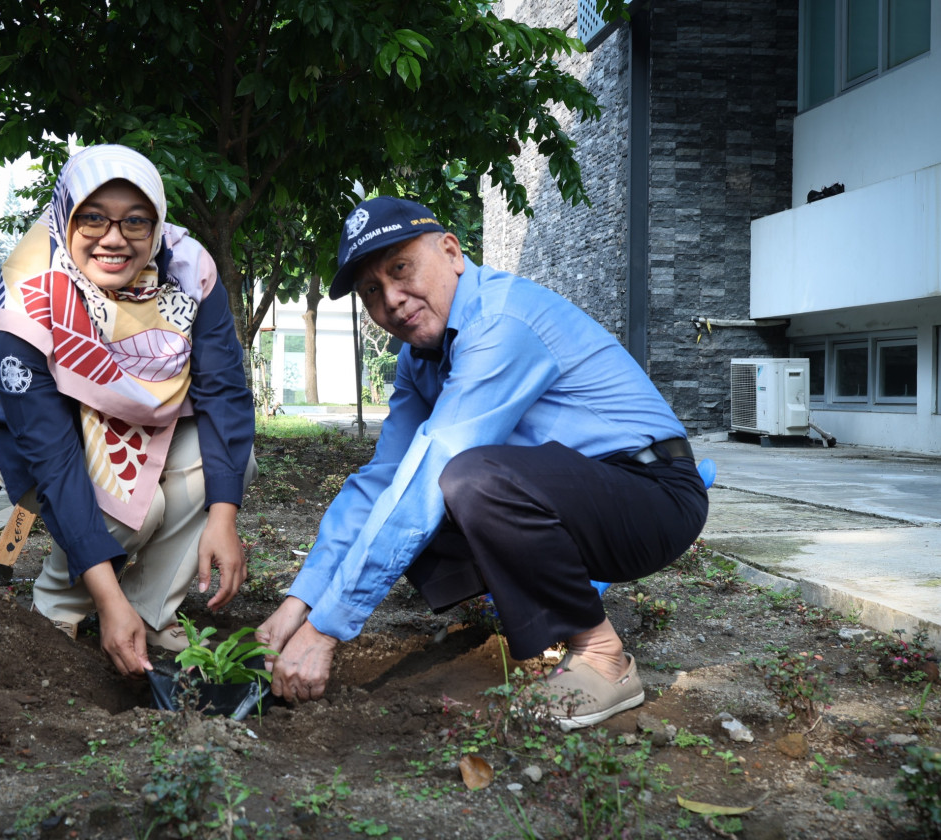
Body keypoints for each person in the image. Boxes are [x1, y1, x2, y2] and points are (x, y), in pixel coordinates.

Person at [257, 196, 708, 728]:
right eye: (372, 291)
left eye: (401, 269)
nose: (393, 300)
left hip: (651, 492)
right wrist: (300, 603)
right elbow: (381, 481)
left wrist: (327, 629)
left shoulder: (499, 321)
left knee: (465, 480)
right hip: (581, 495)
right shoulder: (417, 358)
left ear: (451, 251)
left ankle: (603, 656)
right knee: (411, 495)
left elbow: (438, 469)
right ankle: (535, 608)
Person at [0, 145, 255, 679]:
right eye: (94, 218)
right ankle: (58, 607)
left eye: (135, 222)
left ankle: (147, 612)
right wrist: (106, 599)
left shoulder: (189, 270)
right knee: (135, 508)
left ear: (158, 224)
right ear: (66, 214)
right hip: (51, 445)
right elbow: (53, 457)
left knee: (225, 472)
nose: (114, 238)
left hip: (152, 426)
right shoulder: (31, 290)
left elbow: (223, 392)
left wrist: (224, 517)